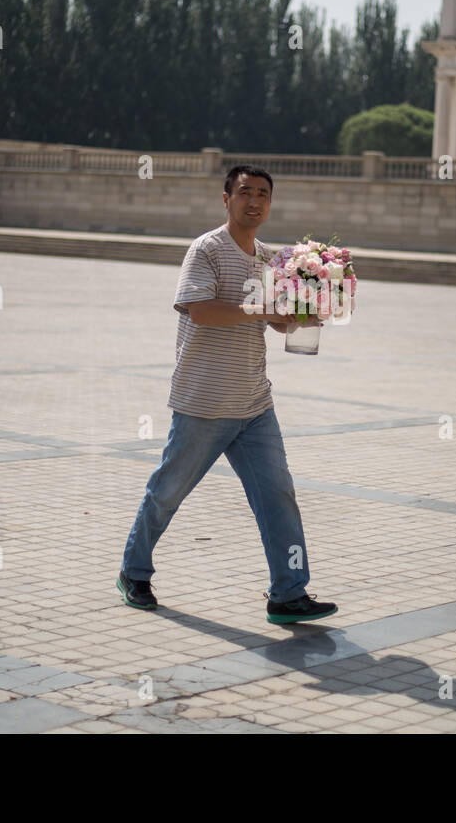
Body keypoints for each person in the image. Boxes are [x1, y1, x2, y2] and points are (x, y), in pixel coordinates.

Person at [117, 164, 337, 625]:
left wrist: (301, 314)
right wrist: (261, 308)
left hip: (255, 404)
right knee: (168, 491)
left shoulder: (270, 258)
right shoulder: (207, 250)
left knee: (279, 496)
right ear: (225, 199)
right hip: (204, 403)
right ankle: (133, 572)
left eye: (262, 194)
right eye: (244, 193)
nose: (254, 201)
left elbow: (274, 320)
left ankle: (289, 593)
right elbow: (201, 312)